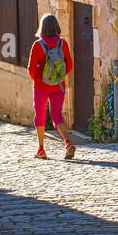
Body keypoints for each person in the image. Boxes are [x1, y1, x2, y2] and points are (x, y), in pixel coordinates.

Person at [27, 13, 76, 160]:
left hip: (41, 86)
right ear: (56, 27)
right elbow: (69, 65)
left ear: (42, 27)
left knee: (40, 115)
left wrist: (39, 78)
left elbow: (31, 69)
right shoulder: (63, 43)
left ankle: (41, 149)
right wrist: (59, 78)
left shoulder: (38, 45)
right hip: (58, 86)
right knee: (56, 115)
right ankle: (67, 143)